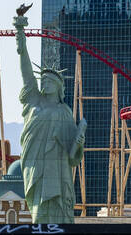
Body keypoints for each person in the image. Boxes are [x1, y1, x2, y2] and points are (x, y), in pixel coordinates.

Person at [13, 7, 86, 223]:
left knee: (59, 212)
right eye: (42, 79)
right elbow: (25, 69)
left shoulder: (64, 112)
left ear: (59, 87)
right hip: (36, 166)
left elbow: (73, 153)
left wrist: (79, 141)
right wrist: (20, 31)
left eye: (49, 80)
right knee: (38, 212)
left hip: (58, 168)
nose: (44, 82)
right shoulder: (33, 100)